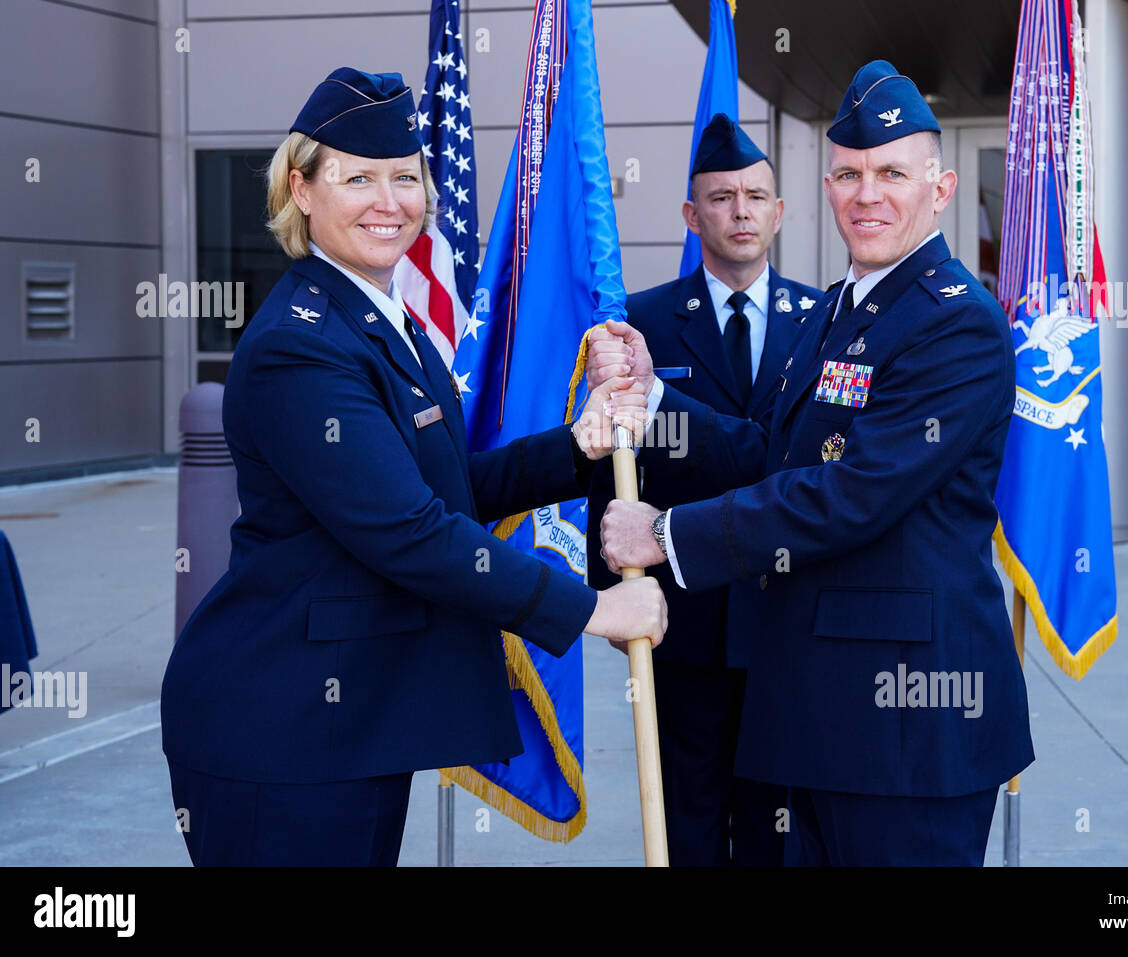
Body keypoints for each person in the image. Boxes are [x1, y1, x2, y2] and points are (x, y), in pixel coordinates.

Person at [159, 67, 666, 866]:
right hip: (284, 734)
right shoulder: (302, 345)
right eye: (358, 178)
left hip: (354, 720)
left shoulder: (378, 316)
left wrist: (582, 447)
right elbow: (412, 531)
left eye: (406, 177)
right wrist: (595, 611)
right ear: (301, 187)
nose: (389, 202)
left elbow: (447, 490)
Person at [593, 60, 1034, 866]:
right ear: (827, 187)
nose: (868, 194)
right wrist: (658, 398)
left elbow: (851, 493)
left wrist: (667, 532)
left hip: (909, 730)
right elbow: (772, 451)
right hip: (818, 713)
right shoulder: (837, 308)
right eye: (849, 174)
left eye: (892, 173)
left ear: (937, 192)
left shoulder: (955, 325)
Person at [587, 113, 820, 867]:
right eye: (721, 198)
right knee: (683, 823)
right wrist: (615, 595)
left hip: (787, 618)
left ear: (779, 212)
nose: (741, 211)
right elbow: (612, 475)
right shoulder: (644, 322)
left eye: (756, 196)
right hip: (683, 626)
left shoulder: (821, 325)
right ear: (692, 215)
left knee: (774, 826)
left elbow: (807, 467)